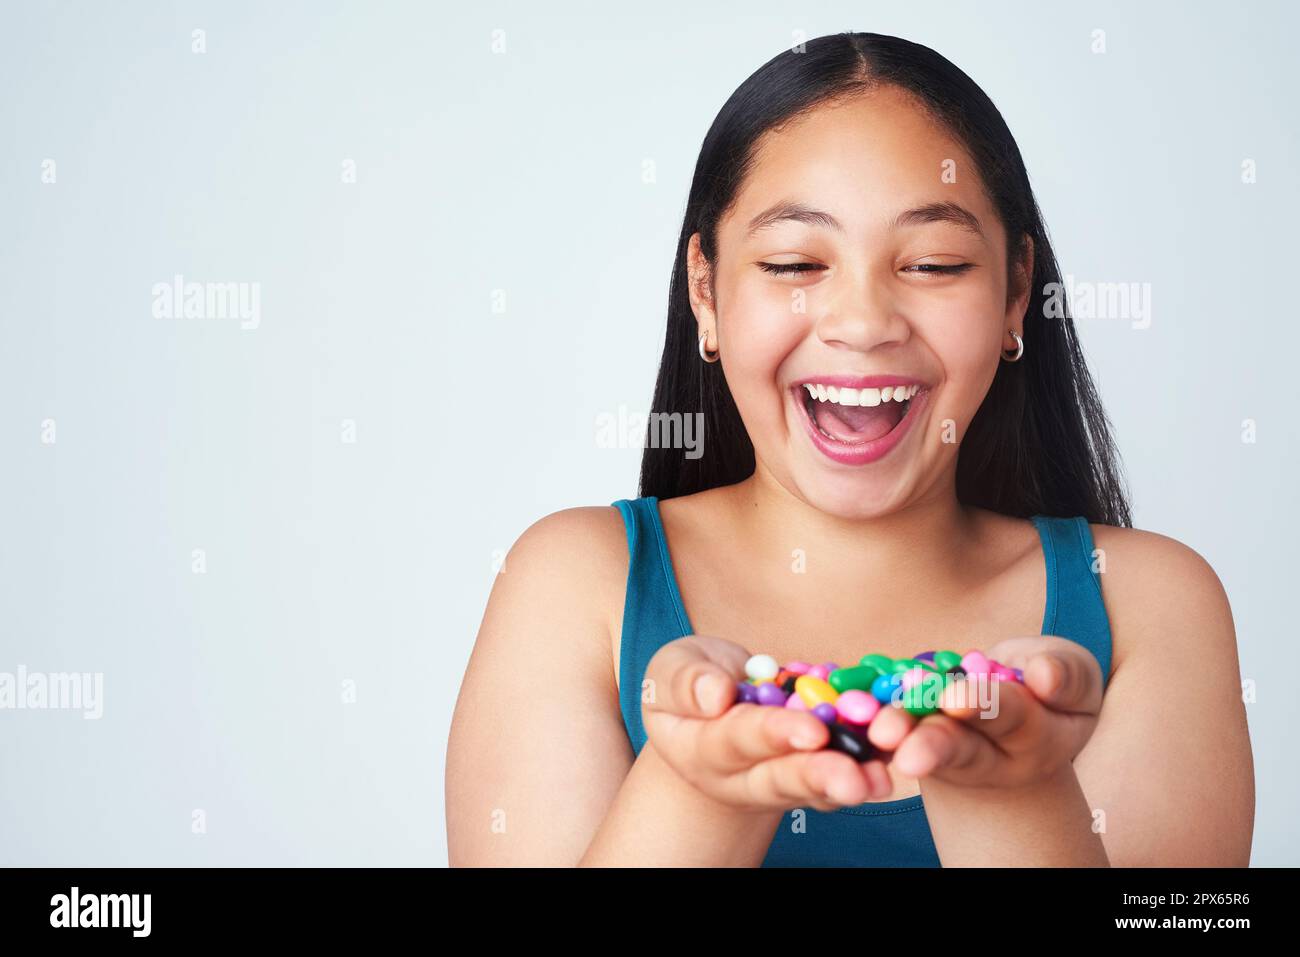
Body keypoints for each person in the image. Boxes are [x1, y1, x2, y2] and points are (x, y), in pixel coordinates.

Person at [446, 32, 1254, 867]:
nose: (865, 323)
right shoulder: (574, 585)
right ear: (706, 294)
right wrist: (702, 787)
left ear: (1016, 292)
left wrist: (1011, 790)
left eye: (934, 263)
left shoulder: (1149, 603)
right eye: (796, 260)